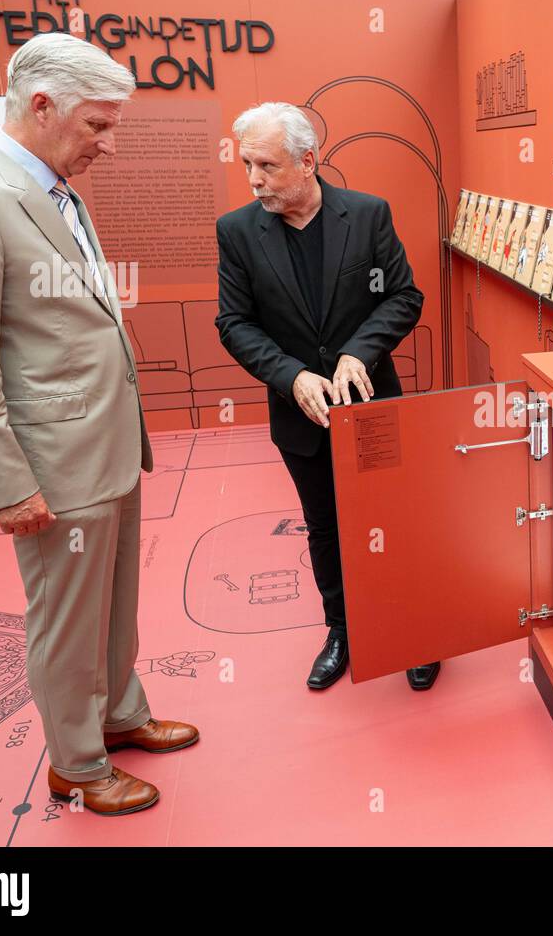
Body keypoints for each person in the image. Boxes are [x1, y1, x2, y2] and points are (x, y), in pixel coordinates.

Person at [0, 33, 199, 817]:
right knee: (67, 620)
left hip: (101, 449)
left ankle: (120, 714)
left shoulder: (52, 190)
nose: (109, 142)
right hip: (52, 465)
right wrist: (6, 485)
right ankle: (77, 763)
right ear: (42, 106)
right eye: (98, 125)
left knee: (113, 603)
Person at [214, 102, 439, 691]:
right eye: (247, 164)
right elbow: (235, 324)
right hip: (300, 415)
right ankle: (341, 630)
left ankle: (414, 628)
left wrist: (355, 353)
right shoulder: (236, 232)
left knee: (396, 521)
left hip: (372, 407)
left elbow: (403, 298)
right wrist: (291, 376)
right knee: (325, 526)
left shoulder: (367, 216)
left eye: (266, 164)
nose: (253, 179)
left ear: (308, 161)